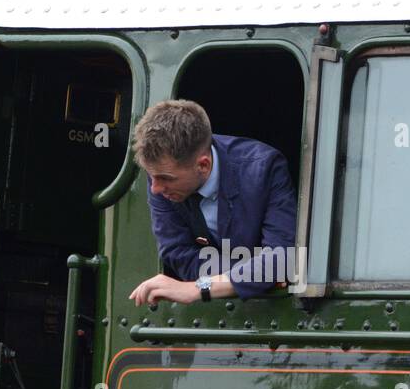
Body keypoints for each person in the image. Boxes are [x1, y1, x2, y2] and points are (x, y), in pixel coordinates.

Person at [128, 99, 298, 306]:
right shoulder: (160, 177)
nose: (155, 188)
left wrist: (200, 287)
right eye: (151, 176)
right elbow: (179, 254)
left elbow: (281, 258)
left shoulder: (265, 169)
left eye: (166, 178)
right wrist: (259, 275)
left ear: (203, 165)